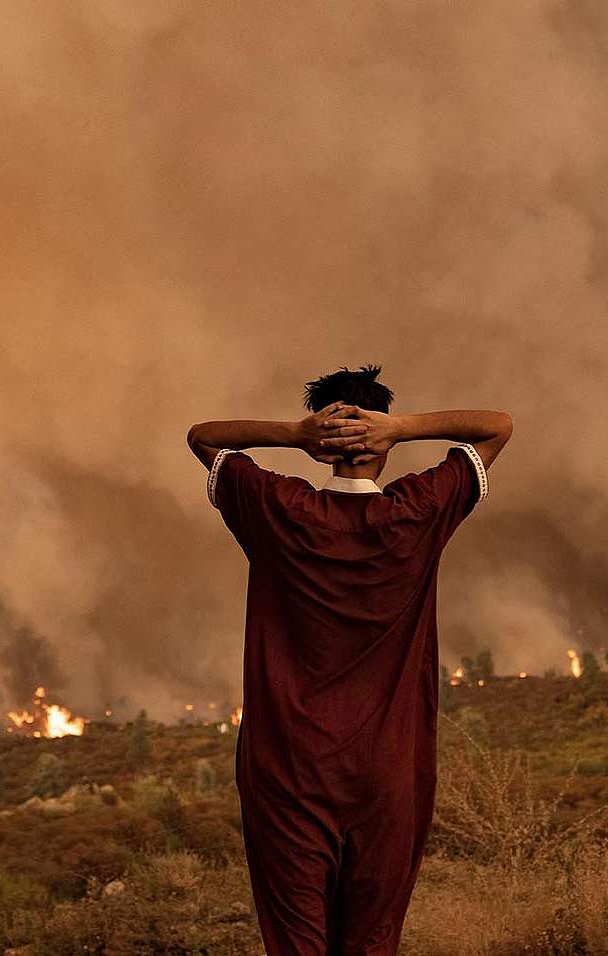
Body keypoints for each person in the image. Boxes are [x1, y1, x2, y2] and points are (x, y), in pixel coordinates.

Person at [187, 365, 512, 955]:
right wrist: (402, 428)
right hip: (386, 773)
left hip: (287, 770)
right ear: (381, 440)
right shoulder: (416, 513)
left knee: (296, 943)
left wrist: (294, 435)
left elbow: (203, 437)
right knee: (371, 941)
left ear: (322, 445)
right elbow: (497, 426)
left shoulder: (278, 509)